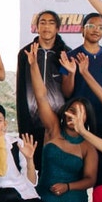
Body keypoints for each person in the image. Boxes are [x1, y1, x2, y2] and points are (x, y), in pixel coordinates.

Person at [27, 43, 98, 202]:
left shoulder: (88, 145)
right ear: (65, 112)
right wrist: (33, 64)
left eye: (80, 113)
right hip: (43, 195)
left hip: (72, 195)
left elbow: (90, 179)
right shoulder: (53, 128)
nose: (74, 116)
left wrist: (68, 187)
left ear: (87, 118)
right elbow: (41, 96)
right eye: (72, 110)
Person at [60, 13, 102, 183]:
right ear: (82, 29)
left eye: (101, 27)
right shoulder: (71, 56)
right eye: (91, 26)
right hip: (79, 120)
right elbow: (67, 93)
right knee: (76, 164)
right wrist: (73, 73)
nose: (96, 30)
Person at [15, 9, 68, 163]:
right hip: (31, 120)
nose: (46, 27)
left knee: (56, 162)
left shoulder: (65, 54)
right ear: (36, 27)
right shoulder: (25, 53)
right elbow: (21, 90)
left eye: (51, 23)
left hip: (58, 120)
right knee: (32, 163)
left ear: (57, 28)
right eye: (42, 22)